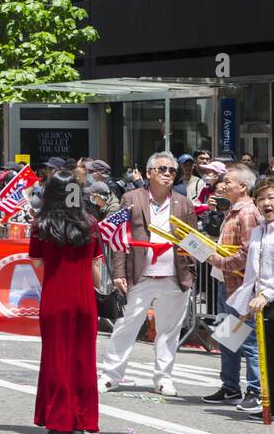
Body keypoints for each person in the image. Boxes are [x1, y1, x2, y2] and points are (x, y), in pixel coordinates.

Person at [100, 152, 199, 396]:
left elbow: (194, 240)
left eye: (172, 171)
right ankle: (111, 376)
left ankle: (163, 378)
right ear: (149, 173)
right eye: (162, 169)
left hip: (174, 276)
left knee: (169, 331)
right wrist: (119, 273)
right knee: (125, 326)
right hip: (139, 275)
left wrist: (193, 269)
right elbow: (120, 238)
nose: (167, 174)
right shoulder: (131, 198)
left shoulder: (184, 203)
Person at [28, 170, 101, 434]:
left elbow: (37, 263)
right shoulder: (90, 223)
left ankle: (58, 421)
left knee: (56, 358)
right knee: (84, 360)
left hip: (55, 297)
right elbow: (96, 268)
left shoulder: (41, 224)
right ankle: (81, 421)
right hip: (85, 299)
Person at [199, 164, 263, 411]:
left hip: (241, 286)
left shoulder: (247, 213)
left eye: (227, 182)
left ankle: (256, 391)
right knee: (228, 338)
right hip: (227, 284)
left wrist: (219, 260)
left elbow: (249, 252)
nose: (222, 185)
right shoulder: (233, 211)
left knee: (247, 341)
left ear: (243, 187)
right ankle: (230, 387)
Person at [231, 178, 274, 419]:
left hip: (270, 298)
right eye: (261, 199)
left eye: (271, 198)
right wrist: (245, 302)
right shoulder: (258, 231)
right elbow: (252, 271)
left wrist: (267, 294)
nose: (266, 203)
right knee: (265, 354)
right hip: (260, 302)